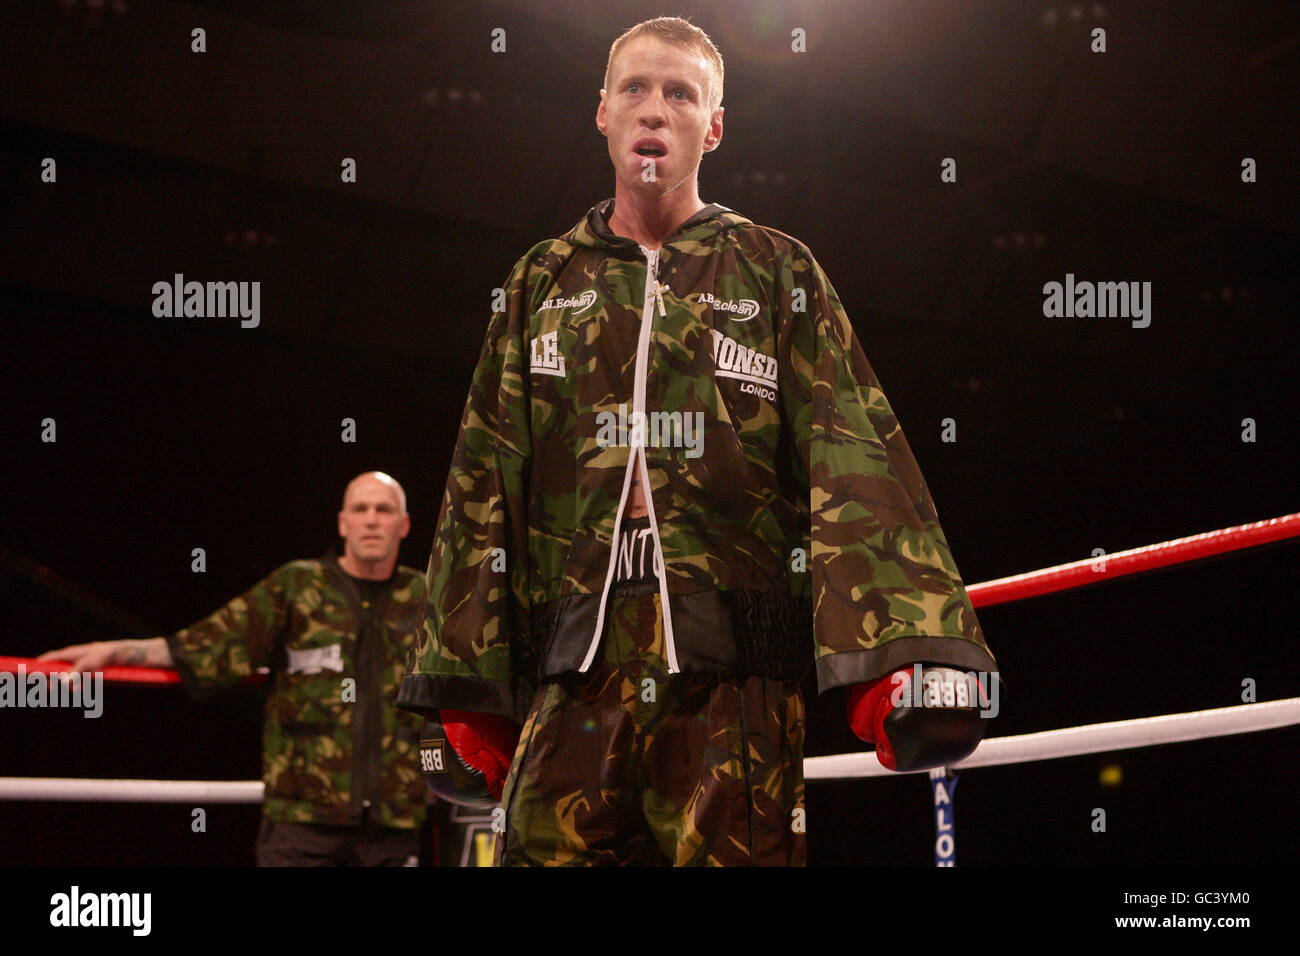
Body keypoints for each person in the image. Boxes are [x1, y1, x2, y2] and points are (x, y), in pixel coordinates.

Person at [398, 17, 999, 866]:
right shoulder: (541, 281)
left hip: (734, 676)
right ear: (602, 111)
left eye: (681, 93)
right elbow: (483, 478)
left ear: (712, 127)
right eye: (636, 89)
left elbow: (854, 450)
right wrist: (465, 685)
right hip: (574, 663)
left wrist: (911, 651)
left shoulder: (776, 269)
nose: (656, 109)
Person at [41, 471, 429, 866]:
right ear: (343, 522)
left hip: (393, 824)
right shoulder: (298, 585)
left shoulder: (425, 598)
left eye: (384, 509)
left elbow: (468, 677)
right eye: (360, 509)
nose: (371, 519)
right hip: (303, 821)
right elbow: (208, 645)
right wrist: (116, 650)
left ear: (404, 523)